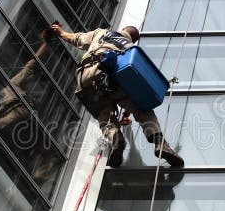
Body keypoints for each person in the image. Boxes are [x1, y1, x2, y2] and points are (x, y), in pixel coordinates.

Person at [50, 22, 184, 168]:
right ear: (133, 39)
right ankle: (160, 143)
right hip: (113, 78)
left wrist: (61, 32)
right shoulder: (130, 48)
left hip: (86, 78)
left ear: (123, 29)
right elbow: (133, 81)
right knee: (143, 111)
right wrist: (129, 109)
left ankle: (116, 139)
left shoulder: (101, 33)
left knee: (105, 117)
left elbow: (77, 39)